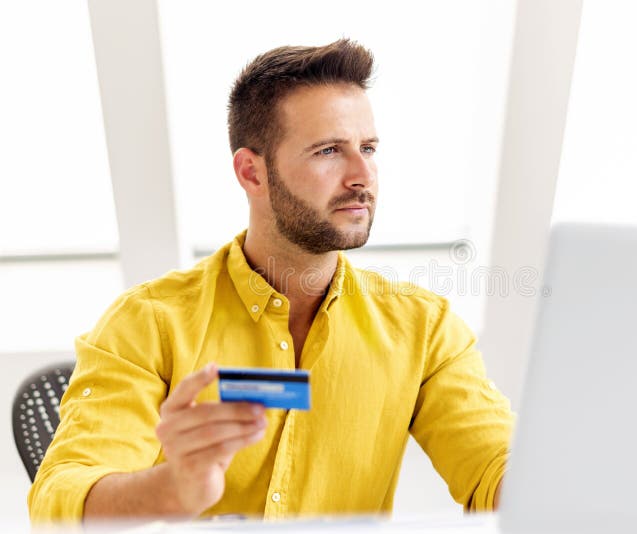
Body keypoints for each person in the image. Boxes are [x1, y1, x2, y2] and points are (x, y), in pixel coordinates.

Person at [29, 39, 514, 523]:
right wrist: (170, 490)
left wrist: (549, 480)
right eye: (329, 151)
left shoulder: (425, 328)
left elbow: (496, 468)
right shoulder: (149, 322)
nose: (362, 175)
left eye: (368, 148)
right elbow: (59, 502)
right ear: (251, 172)